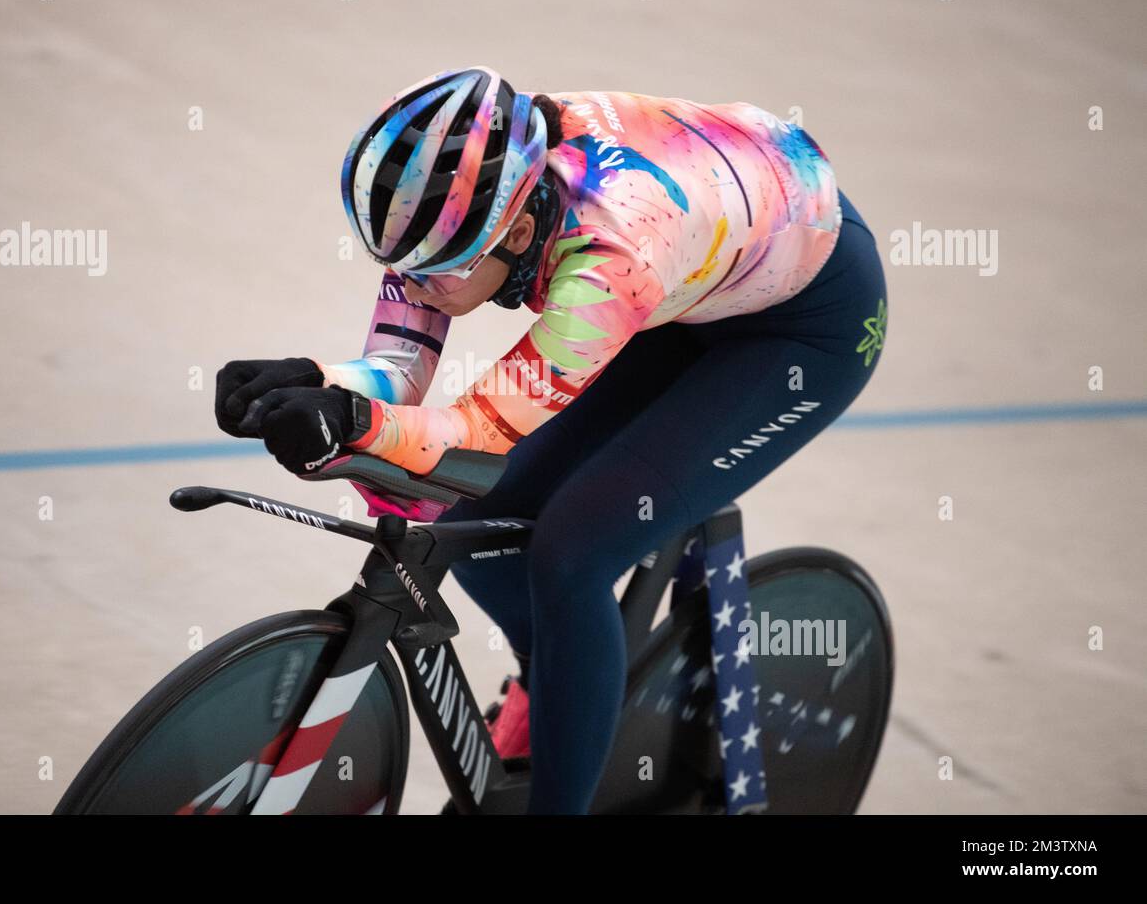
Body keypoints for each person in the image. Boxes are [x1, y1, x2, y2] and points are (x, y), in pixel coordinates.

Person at [214, 66, 887, 814]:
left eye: (435, 270)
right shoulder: (460, 192)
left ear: (522, 231)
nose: (413, 285)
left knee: (573, 551)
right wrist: (313, 376)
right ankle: (568, 682)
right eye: (395, 263)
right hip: (699, 274)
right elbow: (400, 370)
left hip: (802, 330)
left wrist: (347, 421)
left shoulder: (610, 258)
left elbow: (472, 435)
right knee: (485, 528)